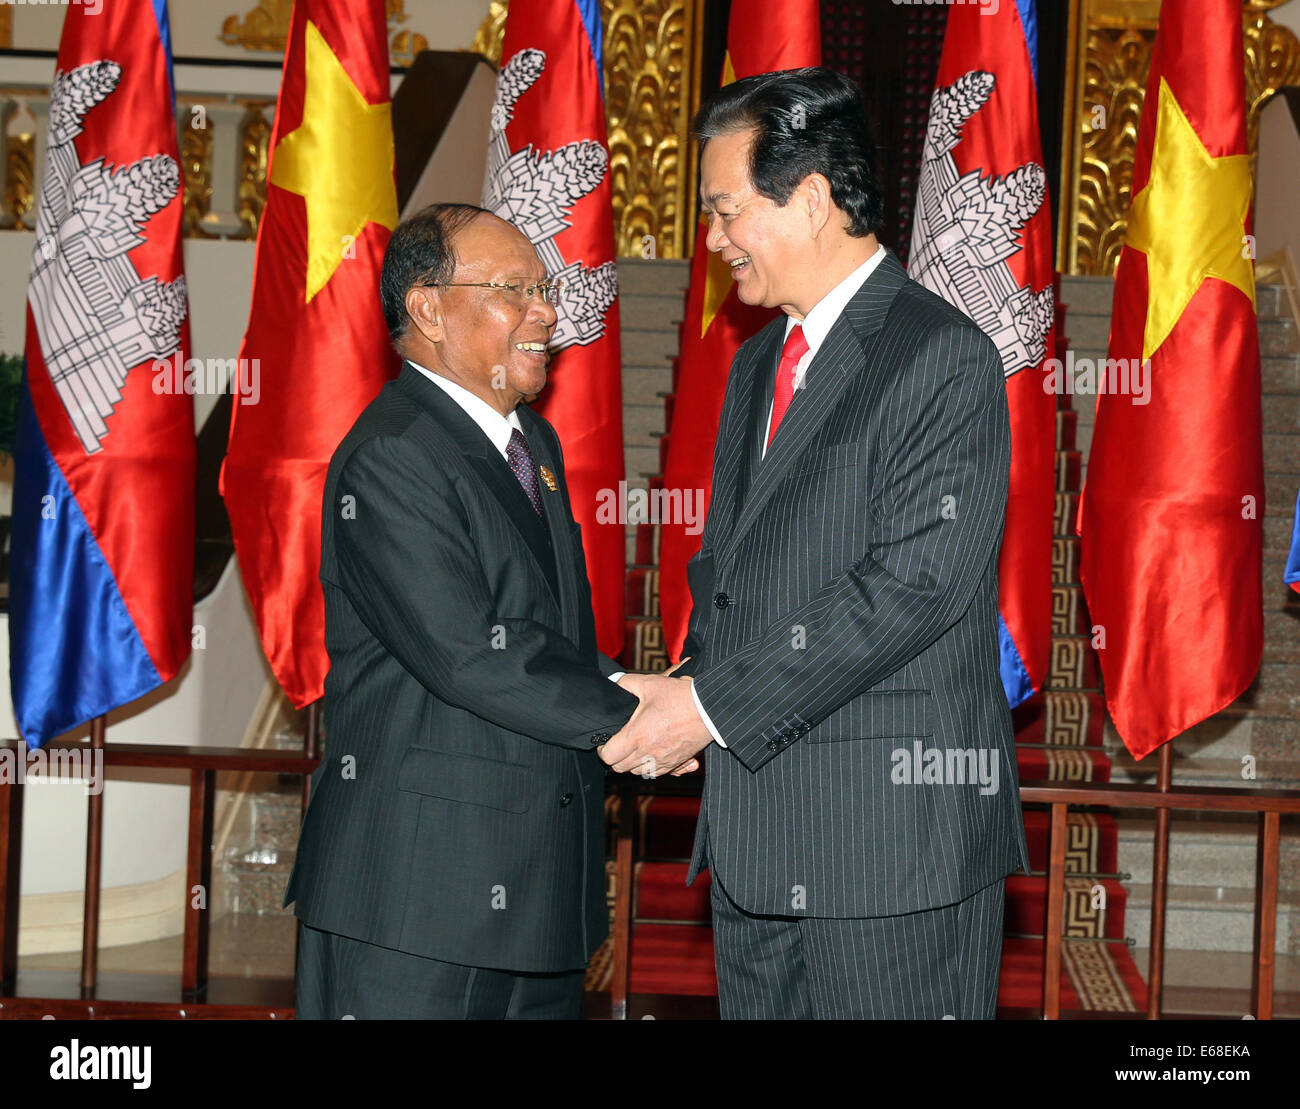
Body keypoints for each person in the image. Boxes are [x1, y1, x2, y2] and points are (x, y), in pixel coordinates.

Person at [604, 68, 1030, 1019]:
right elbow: (743, 580)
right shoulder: (759, 361)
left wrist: (707, 708)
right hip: (760, 844)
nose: (711, 241)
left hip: (889, 852)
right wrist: (683, 689)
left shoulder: (940, 355)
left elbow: (914, 586)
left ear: (810, 199)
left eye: (725, 210)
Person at [285, 204, 639, 1019]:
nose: (547, 312)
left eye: (544, 290)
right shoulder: (394, 454)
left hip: (539, 905)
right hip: (421, 905)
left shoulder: (532, 447)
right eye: (514, 289)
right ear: (427, 307)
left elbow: (546, 639)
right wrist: (636, 715)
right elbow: (468, 653)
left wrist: (628, 683)